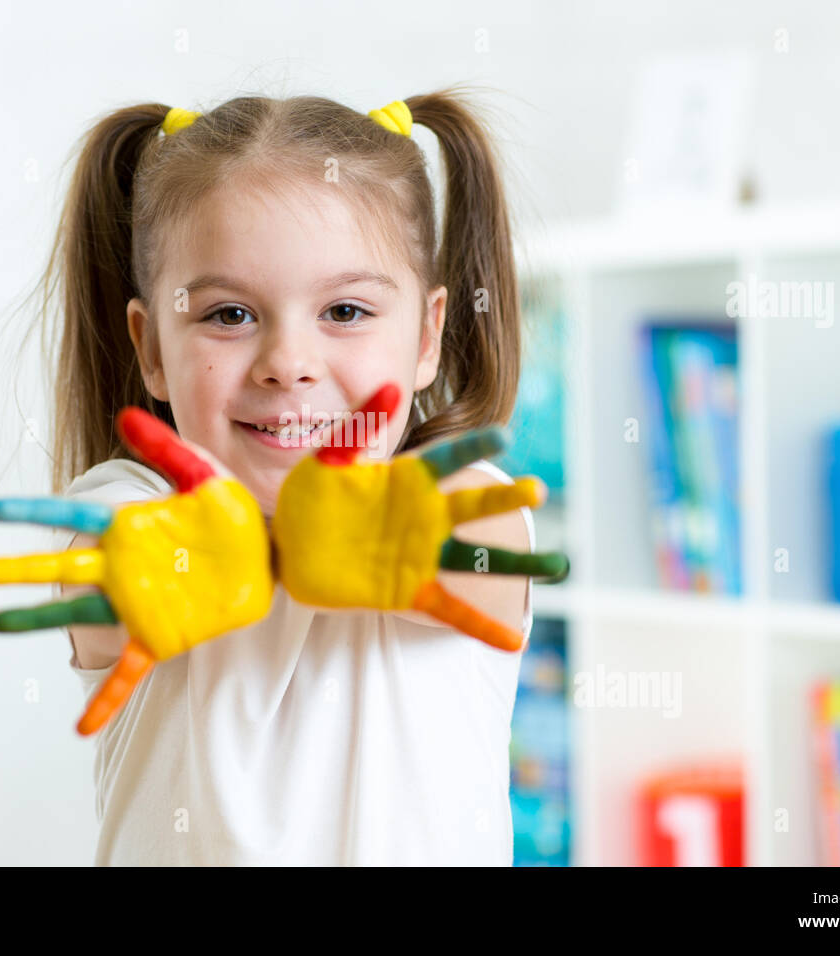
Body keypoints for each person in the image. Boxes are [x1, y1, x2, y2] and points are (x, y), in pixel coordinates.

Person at [44, 90, 535, 865]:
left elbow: (476, 555)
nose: (288, 365)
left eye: (344, 311)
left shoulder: (463, 502)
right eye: (229, 316)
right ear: (152, 349)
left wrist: (352, 538)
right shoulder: (124, 504)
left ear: (428, 338)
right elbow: (113, 576)